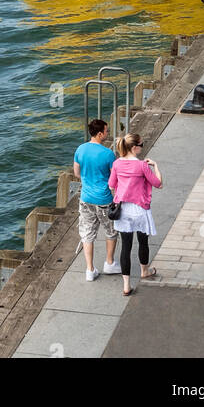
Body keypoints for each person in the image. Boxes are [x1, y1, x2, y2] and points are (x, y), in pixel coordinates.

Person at [108, 133, 162, 296]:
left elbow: (111, 185)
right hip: (140, 209)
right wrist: (156, 166)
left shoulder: (117, 164)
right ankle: (144, 271)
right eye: (141, 145)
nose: (142, 148)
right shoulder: (142, 166)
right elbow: (158, 183)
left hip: (123, 210)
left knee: (126, 246)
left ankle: (126, 285)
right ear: (134, 147)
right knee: (143, 241)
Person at [73, 118, 120, 281]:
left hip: (86, 198)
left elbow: (77, 173)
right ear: (100, 134)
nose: (108, 134)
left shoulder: (80, 149)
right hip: (104, 199)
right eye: (106, 131)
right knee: (111, 231)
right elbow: (114, 179)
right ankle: (109, 263)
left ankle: (90, 270)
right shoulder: (108, 154)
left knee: (87, 233)